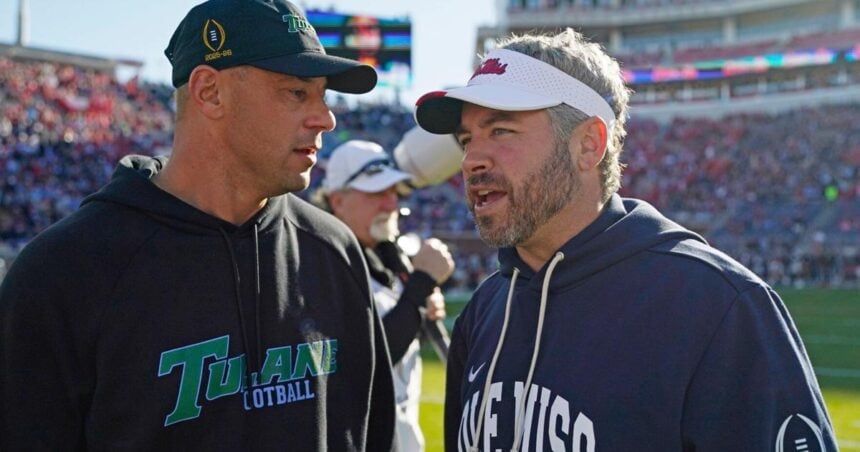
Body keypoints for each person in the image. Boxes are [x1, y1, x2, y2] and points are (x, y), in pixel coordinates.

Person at [414, 29, 837, 451]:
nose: (471, 161)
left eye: (501, 130)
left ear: (588, 145)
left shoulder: (717, 306)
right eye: (467, 140)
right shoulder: (486, 309)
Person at [0, 1, 396, 450]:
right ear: (209, 91)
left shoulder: (333, 250)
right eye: (296, 92)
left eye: (324, 96)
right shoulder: (64, 272)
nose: (326, 118)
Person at [313, 139, 455, 452]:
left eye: (393, 193)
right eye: (377, 193)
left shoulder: (382, 259)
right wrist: (419, 287)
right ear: (337, 200)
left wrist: (416, 302)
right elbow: (366, 363)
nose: (391, 205)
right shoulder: (320, 265)